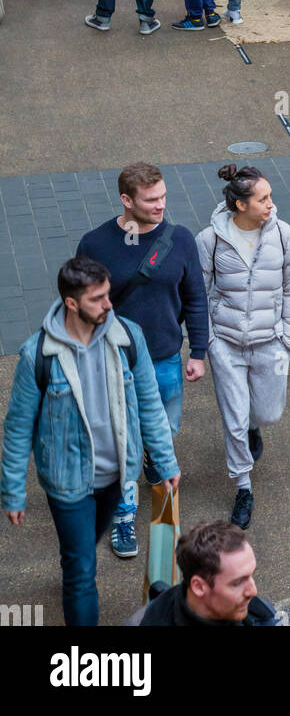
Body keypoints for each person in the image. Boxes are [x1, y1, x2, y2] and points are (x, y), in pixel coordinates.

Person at [0, 254, 180, 627]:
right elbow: (17, 428)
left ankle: (75, 554)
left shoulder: (128, 337)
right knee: (82, 573)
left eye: (108, 294)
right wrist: (13, 492)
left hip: (116, 476)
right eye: (97, 298)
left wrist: (165, 462)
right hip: (67, 484)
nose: (108, 304)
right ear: (71, 303)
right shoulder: (38, 355)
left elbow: (149, 405)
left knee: (84, 548)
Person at [74, 162, 207, 560]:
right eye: (151, 200)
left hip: (165, 357)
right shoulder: (95, 245)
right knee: (121, 444)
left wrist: (198, 351)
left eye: (164, 196)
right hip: (114, 361)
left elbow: (196, 298)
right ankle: (124, 513)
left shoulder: (180, 240)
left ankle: (155, 455)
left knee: (165, 430)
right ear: (127, 200)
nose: (161, 205)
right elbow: (79, 306)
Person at [197, 165, 290, 529]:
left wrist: (289, 336)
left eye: (270, 196)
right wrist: (208, 340)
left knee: (268, 412)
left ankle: (253, 426)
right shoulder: (210, 240)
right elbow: (199, 292)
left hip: (270, 343)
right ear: (240, 205)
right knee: (233, 417)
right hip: (225, 346)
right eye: (263, 199)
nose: (271, 205)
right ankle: (243, 486)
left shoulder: (285, 236)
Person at [135, 520, 287, 626]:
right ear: (199, 586)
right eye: (238, 582)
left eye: (251, 575)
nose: (253, 591)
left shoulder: (259, 614)